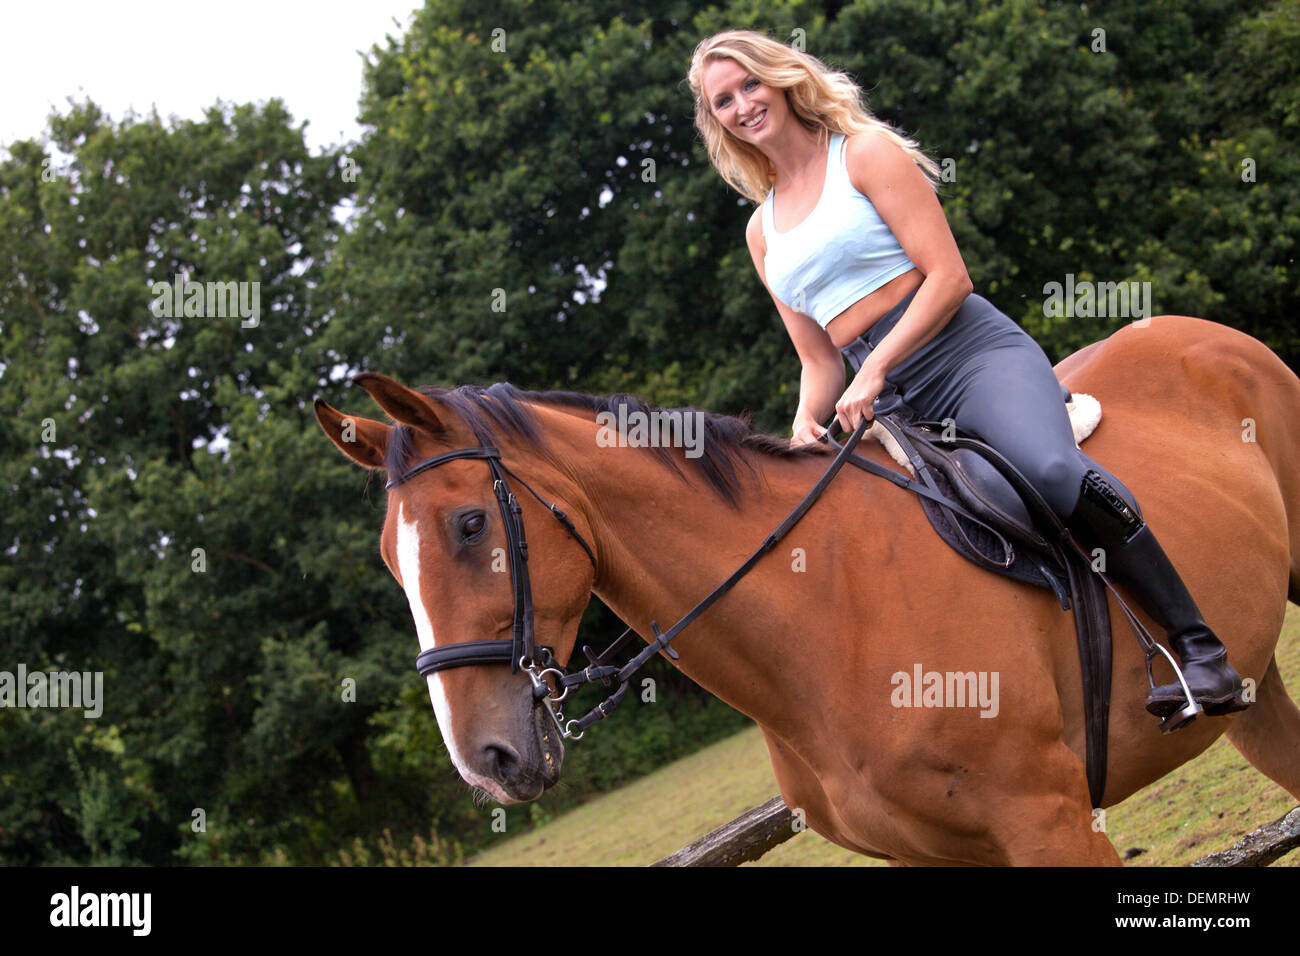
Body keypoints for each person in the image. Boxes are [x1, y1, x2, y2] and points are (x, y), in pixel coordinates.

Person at [687, 29, 1248, 724]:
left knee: (1046, 470)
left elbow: (950, 277)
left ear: (782, 80)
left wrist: (881, 365)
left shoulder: (862, 154)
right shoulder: (761, 232)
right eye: (724, 100)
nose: (743, 105)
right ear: (716, 121)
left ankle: (1201, 651)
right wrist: (805, 418)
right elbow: (819, 359)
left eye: (750, 85)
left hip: (967, 355)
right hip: (885, 399)